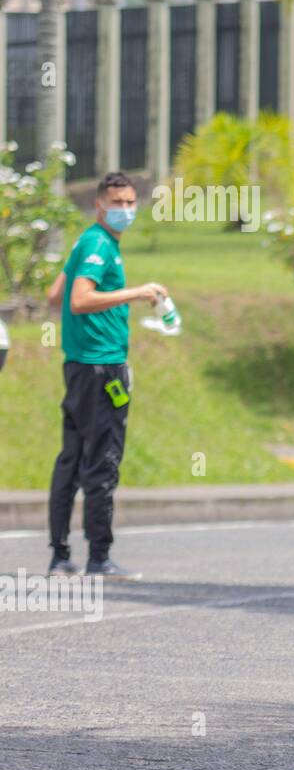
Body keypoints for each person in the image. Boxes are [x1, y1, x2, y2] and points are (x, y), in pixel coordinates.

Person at [44, 172, 168, 578]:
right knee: (103, 461)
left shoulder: (85, 241)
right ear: (100, 204)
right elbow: (78, 300)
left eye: (132, 203)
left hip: (78, 366)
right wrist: (136, 293)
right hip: (102, 368)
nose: (126, 210)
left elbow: (54, 296)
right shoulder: (100, 244)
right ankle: (100, 557)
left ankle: (60, 554)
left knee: (71, 459)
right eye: (118, 203)